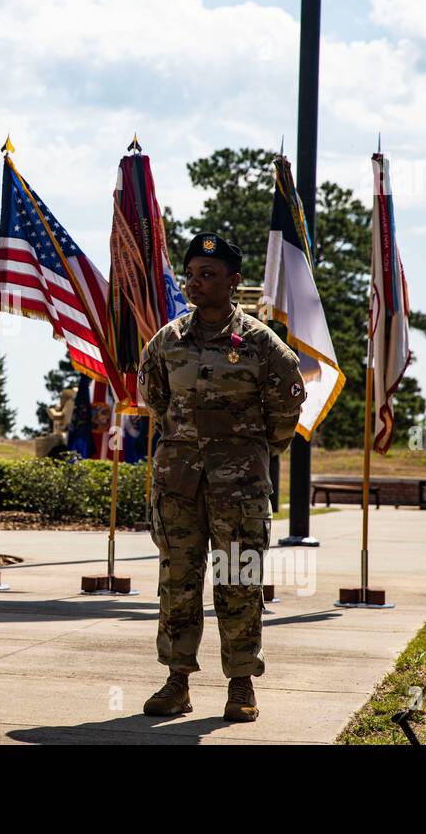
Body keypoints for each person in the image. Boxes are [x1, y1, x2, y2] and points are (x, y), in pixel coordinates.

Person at [136, 232, 306, 722]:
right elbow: (157, 401)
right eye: (191, 274)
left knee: (239, 581)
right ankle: (176, 682)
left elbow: (285, 410)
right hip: (178, 486)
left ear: (234, 282)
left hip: (240, 488)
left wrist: (249, 455)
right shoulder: (167, 342)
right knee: (177, 581)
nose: (196, 283)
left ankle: (240, 684)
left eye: (208, 275)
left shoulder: (261, 345)